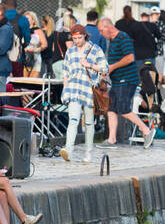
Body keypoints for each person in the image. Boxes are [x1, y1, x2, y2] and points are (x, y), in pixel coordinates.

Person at [98, 18, 154, 147]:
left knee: (123, 109)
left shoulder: (123, 37)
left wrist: (112, 67)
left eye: (101, 30)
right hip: (118, 80)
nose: (100, 34)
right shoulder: (112, 40)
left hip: (127, 80)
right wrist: (107, 71)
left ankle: (146, 130)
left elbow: (130, 58)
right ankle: (111, 139)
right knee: (111, 108)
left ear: (108, 28)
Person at [59, 24, 107, 163]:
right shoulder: (71, 51)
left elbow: (105, 68)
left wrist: (90, 65)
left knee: (89, 123)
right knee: (73, 120)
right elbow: (65, 72)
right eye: (75, 38)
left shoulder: (95, 49)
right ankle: (68, 149)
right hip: (73, 89)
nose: (77, 40)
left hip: (89, 89)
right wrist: (65, 88)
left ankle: (88, 152)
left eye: (80, 37)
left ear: (85, 35)